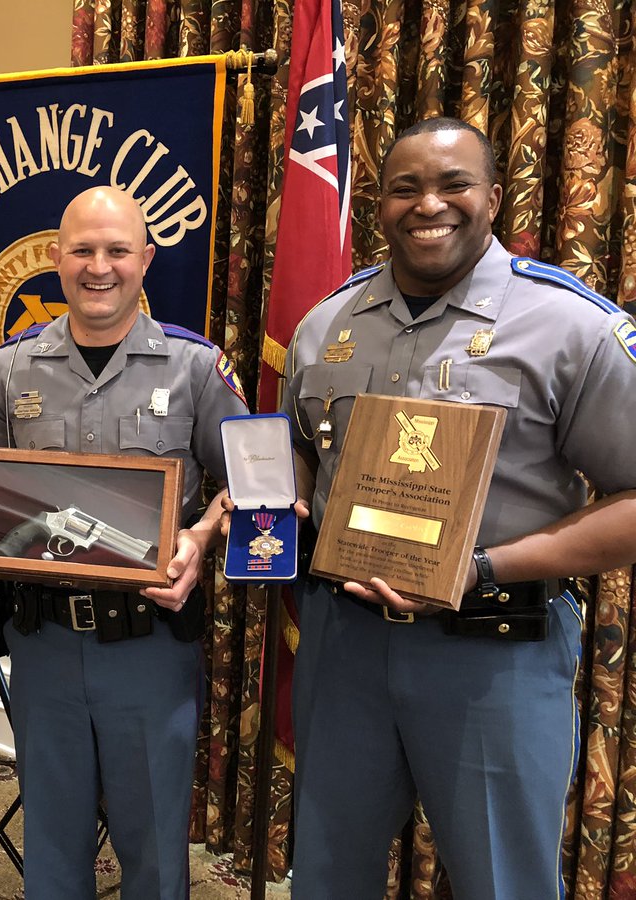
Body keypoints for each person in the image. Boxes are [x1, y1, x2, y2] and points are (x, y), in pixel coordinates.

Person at [276, 117, 636, 897]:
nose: (428, 204)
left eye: (453, 184)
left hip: (494, 650)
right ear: (379, 204)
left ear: (494, 197)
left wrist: (482, 569)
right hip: (346, 649)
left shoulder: (571, 326)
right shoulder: (323, 326)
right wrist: (276, 500)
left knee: (501, 882)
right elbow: (303, 452)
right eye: (405, 187)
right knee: (327, 877)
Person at [0, 186, 248, 900]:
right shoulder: (11, 369)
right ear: (55, 258)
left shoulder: (196, 369)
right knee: (52, 849)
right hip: (44, 644)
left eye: (117, 250)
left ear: (145, 260)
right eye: (82, 249)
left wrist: (201, 538)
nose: (99, 266)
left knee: (152, 855)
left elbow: (254, 495)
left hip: (149, 646)